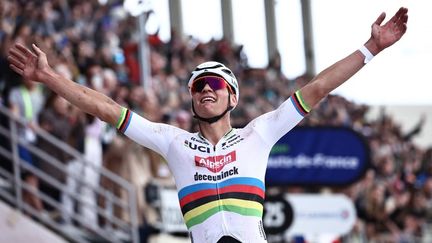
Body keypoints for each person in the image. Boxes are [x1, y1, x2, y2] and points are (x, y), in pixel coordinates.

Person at [7, 7, 408, 243]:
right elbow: (107, 108)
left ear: (233, 97)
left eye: (215, 84)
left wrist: (371, 47)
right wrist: (49, 78)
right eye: (198, 86)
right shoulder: (173, 142)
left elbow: (318, 87)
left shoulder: (260, 133)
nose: (205, 91)